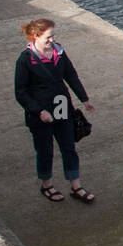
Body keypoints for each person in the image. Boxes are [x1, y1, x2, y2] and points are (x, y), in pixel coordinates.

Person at [14, 18, 95, 203]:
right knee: (45, 150)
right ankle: (47, 185)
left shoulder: (58, 51)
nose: (52, 41)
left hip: (60, 105)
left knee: (68, 147)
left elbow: (70, 75)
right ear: (36, 36)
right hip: (41, 111)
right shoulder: (25, 60)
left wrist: (84, 98)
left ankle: (76, 186)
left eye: (53, 36)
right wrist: (38, 111)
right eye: (48, 37)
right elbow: (21, 92)